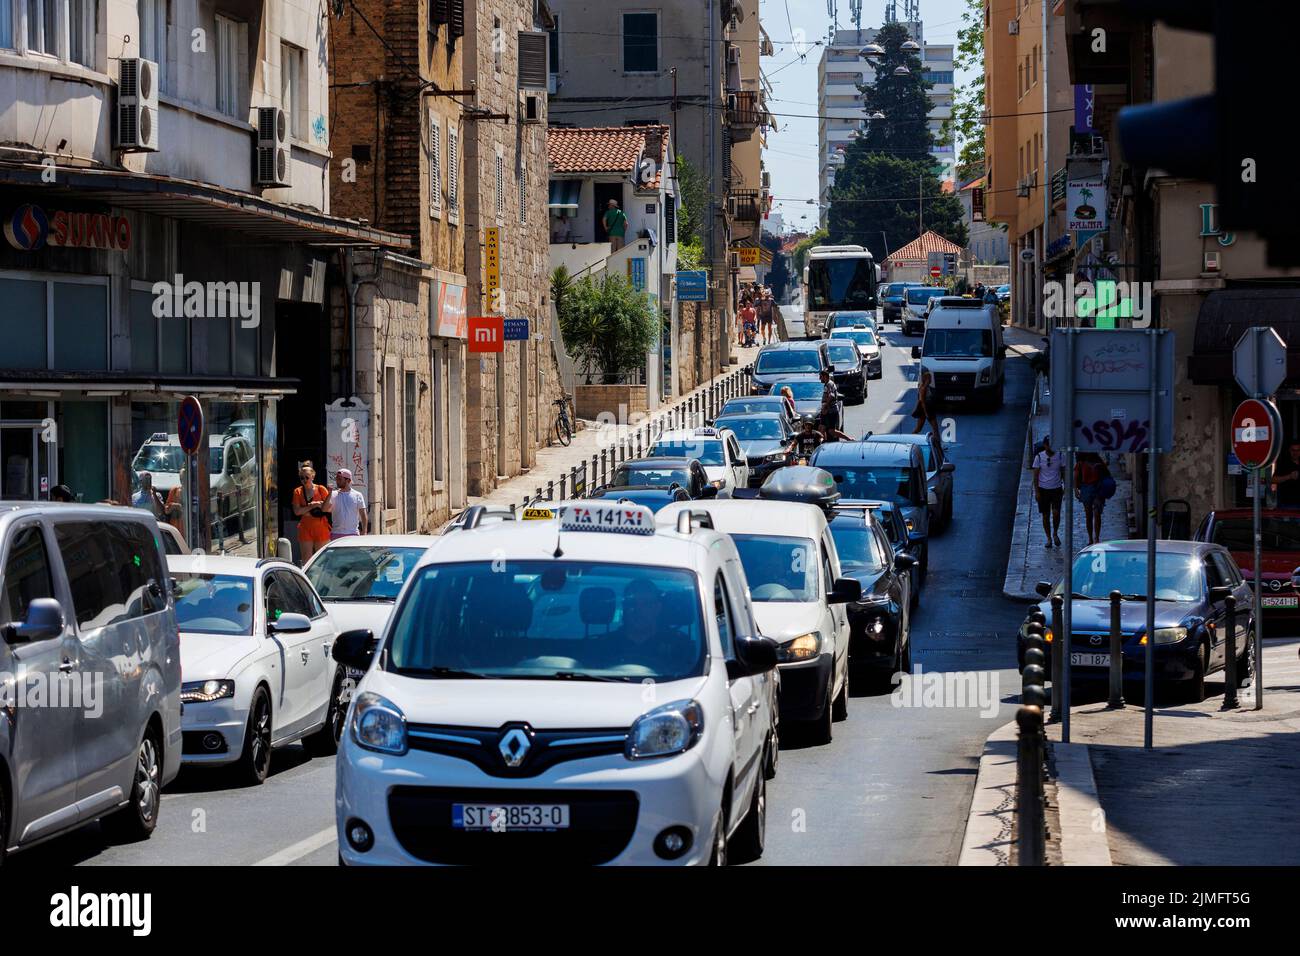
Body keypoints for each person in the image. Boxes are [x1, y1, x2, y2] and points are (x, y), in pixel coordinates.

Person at [293, 463, 332, 562]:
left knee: (322, 559)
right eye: (302, 478)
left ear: (313, 476)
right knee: (307, 559)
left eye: (307, 477)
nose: (304, 480)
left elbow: (330, 508)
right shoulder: (298, 491)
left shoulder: (321, 489)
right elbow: (297, 511)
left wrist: (317, 505)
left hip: (321, 526)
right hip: (305, 527)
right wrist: (313, 505)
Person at [1032, 435, 1065, 549]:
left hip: (1056, 489)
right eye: (1049, 445)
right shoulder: (1039, 457)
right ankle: (1048, 538)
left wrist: (1066, 486)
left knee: (1056, 513)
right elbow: (1035, 476)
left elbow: (1064, 471)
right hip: (1043, 489)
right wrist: (1037, 492)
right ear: (1045, 445)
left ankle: (1055, 533)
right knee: (1045, 515)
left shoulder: (1060, 456)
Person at [1075, 451, 1110, 545]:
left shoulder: (1098, 460)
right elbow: (1076, 475)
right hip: (1086, 488)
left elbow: (1106, 472)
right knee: (1088, 515)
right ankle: (1091, 538)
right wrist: (1076, 489)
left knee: (1097, 513)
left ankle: (1096, 538)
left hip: (1097, 488)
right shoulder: (1081, 462)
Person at [325, 468, 368, 539]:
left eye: (339, 479)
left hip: (353, 534)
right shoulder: (333, 494)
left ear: (348, 480)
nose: (337, 481)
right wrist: (329, 494)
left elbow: (363, 515)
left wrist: (364, 531)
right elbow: (324, 509)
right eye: (336, 479)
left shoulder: (358, 495)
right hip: (336, 534)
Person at [818, 368, 851, 442]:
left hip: (830, 411)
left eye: (821, 376)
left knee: (831, 431)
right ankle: (823, 443)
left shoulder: (829, 384)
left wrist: (826, 407)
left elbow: (831, 396)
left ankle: (848, 439)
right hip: (827, 410)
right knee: (821, 428)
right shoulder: (827, 384)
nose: (820, 378)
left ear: (825, 376)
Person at [911, 367, 940, 438]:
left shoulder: (924, 386)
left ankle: (910, 439)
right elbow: (922, 401)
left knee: (918, 429)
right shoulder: (923, 388)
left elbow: (920, 401)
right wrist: (926, 413)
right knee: (935, 428)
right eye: (928, 376)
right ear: (924, 377)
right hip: (927, 408)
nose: (930, 378)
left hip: (925, 408)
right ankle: (938, 443)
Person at [1271, 443, 1300, 509]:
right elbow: (1273, 480)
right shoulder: (1284, 464)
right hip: (1287, 504)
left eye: (1298, 450)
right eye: (1293, 450)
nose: (1295, 452)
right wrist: (1289, 476)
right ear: (1289, 451)